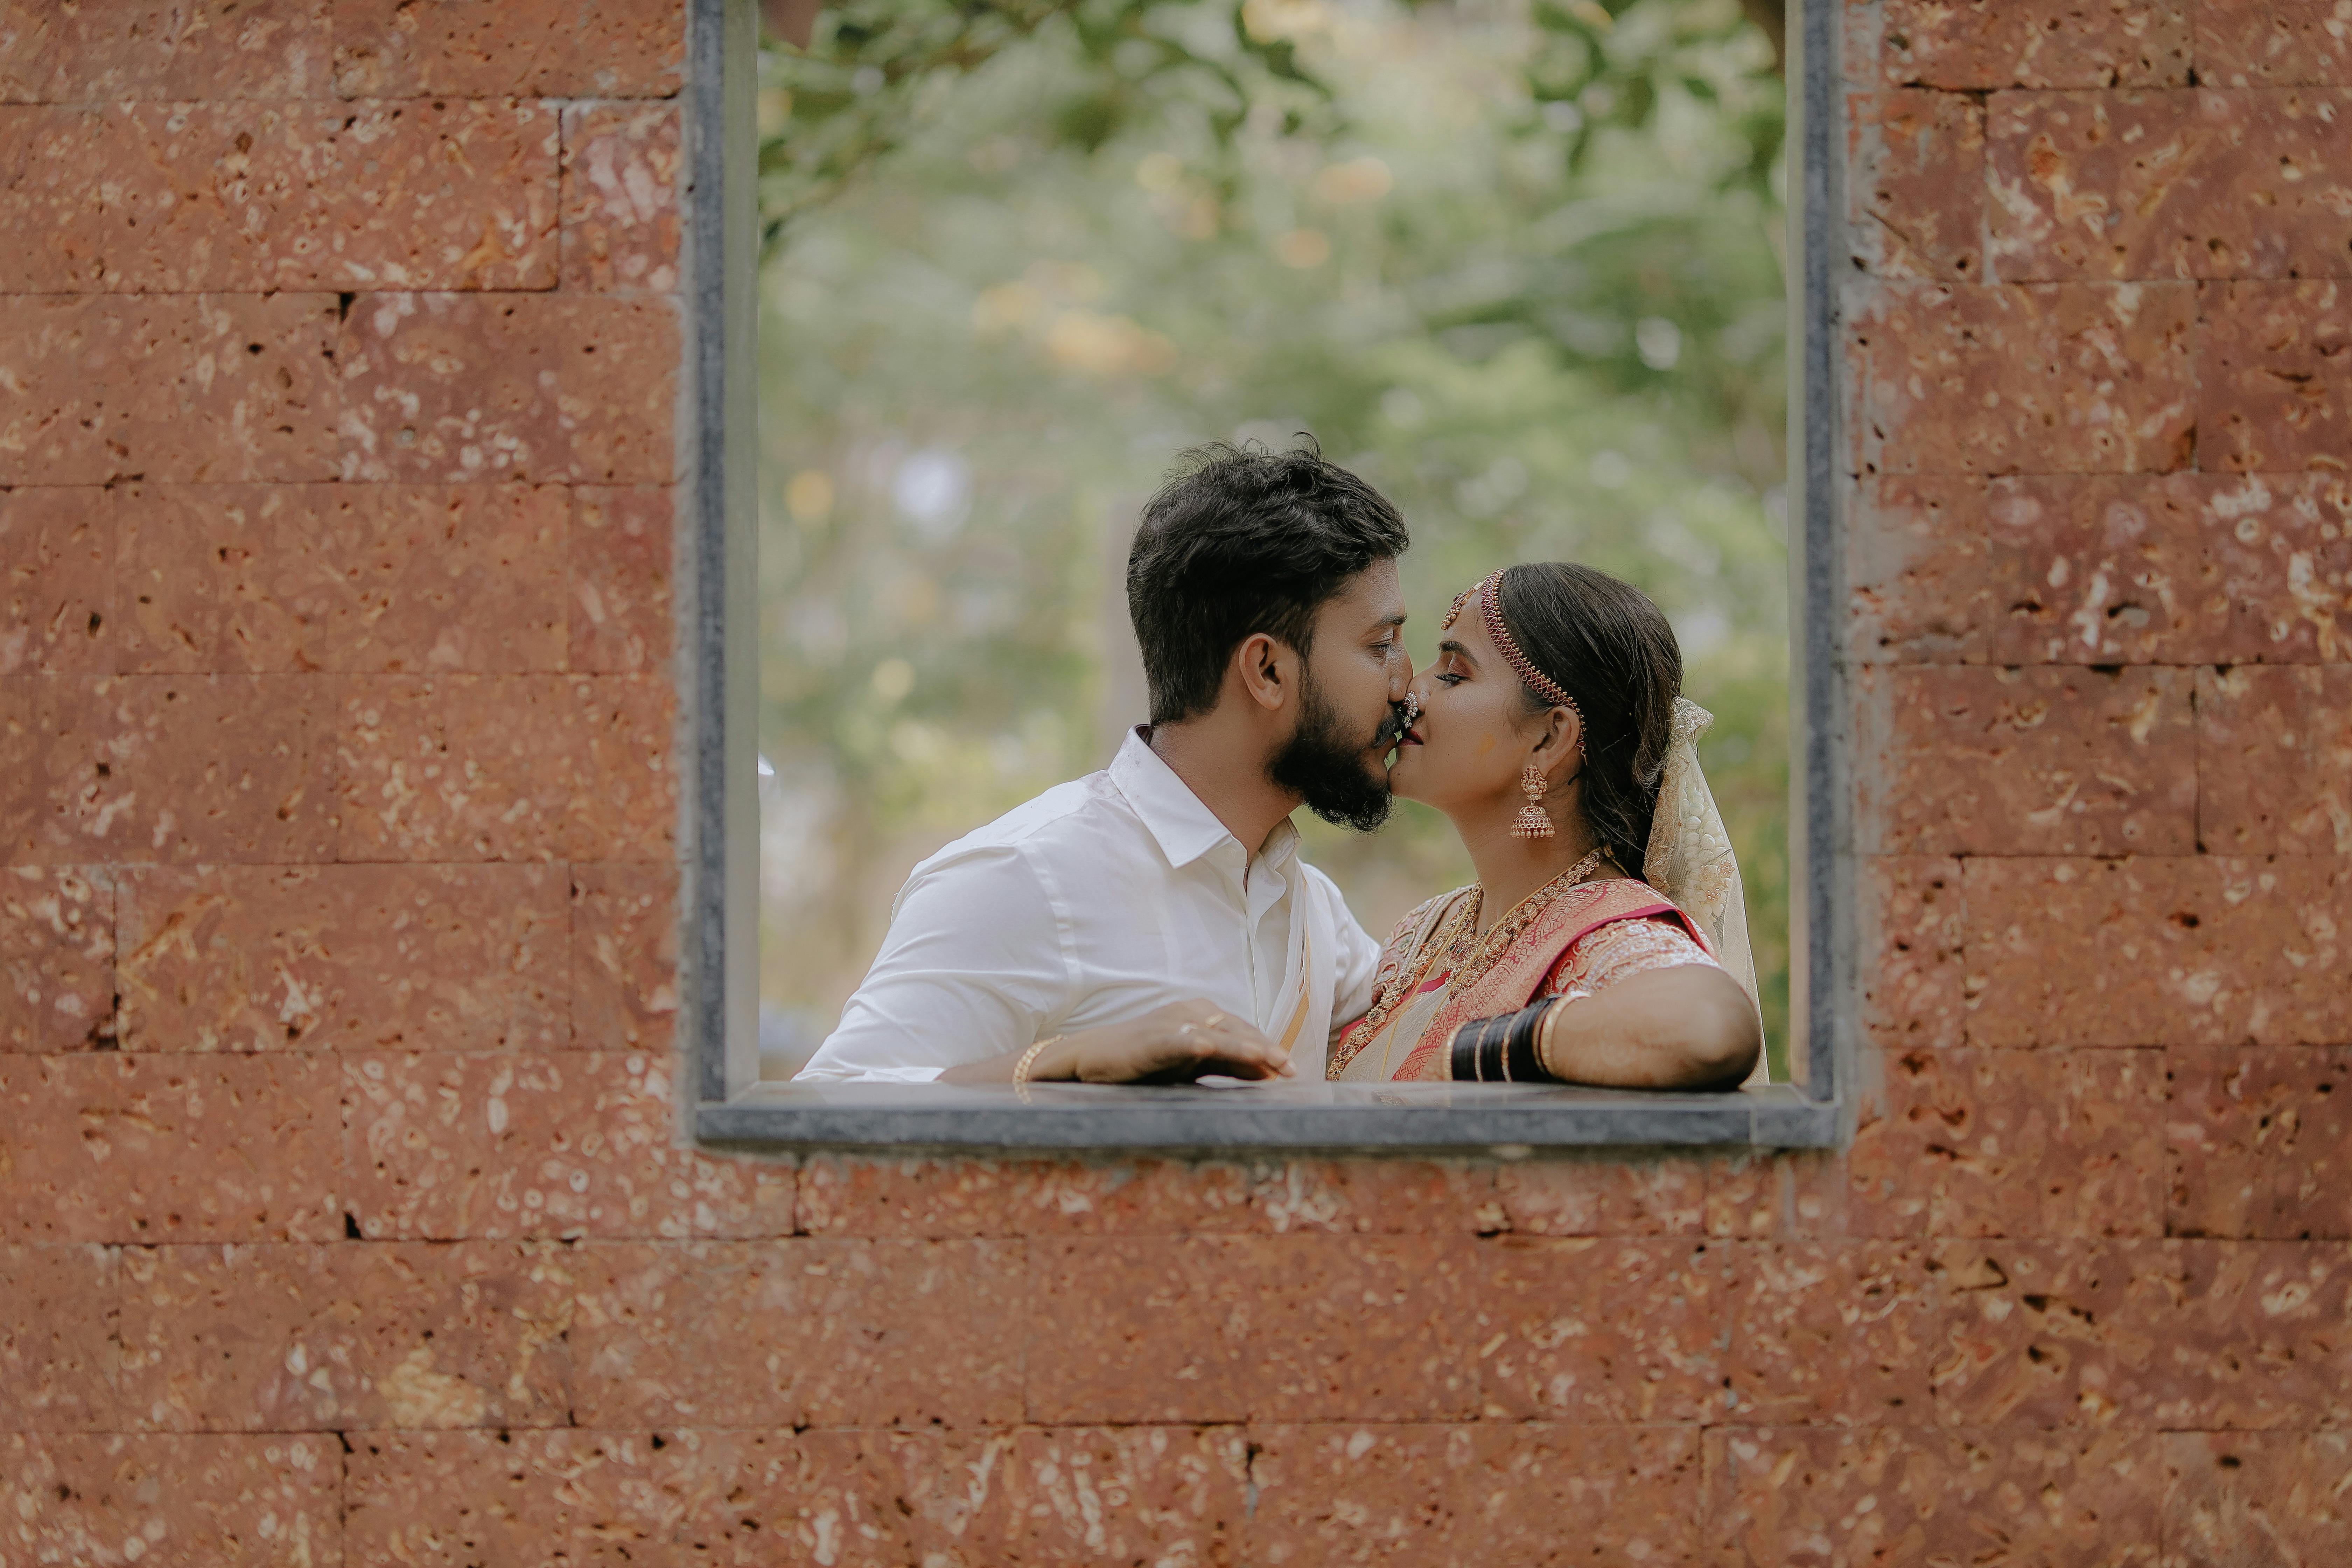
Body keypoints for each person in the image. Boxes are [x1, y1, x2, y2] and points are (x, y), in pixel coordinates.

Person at [794, 441, 1412, 1086]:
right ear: (1266, 669)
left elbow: (1448, 1039)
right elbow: (825, 1108)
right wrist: (1063, 1062)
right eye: (1381, 646)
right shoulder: (1025, 875)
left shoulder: (1310, 907)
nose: (1407, 683)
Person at [1327, 564, 1766, 1087]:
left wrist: (1477, 1052)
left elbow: (1712, 1025)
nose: (1410, 690)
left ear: (1549, 739)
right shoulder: (1426, 933)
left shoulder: (1606, 937)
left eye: (1453, 674)